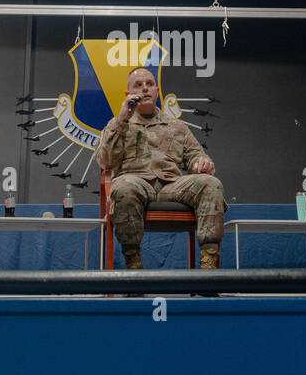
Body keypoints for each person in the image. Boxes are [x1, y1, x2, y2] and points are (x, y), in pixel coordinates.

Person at [95, 67, 225, 269]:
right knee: (124, 187)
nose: (144, 89)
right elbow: (104, 161)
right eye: (138, 86)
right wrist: (121, 121)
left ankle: (209, 265)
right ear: (128, 94)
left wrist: (202, 162)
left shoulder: (177, 126)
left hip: (172, 185)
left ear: (156, 91)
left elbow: (195, 155)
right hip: (135, 182)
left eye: (149, 84)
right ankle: (133, 264)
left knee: (210, 183)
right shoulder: (118, 124)